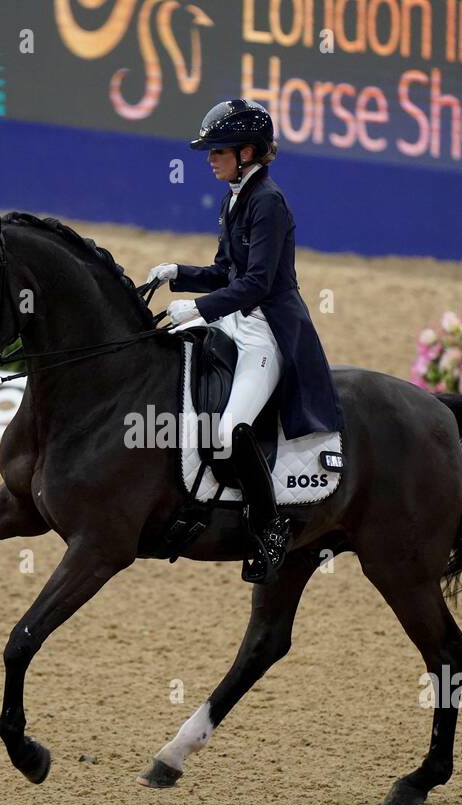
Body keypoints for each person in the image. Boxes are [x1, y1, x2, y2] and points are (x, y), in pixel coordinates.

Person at [146, 98, 345, 584]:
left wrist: (196, 308)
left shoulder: (268, 201)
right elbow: (224, 271)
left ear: (249, 151)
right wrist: (179, 274)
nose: (210, 159)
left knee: (228, 429)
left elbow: (256, 282)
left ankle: (270, 526)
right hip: (235, 317)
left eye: (219, 150)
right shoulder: (235, 194)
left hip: (267, 330)